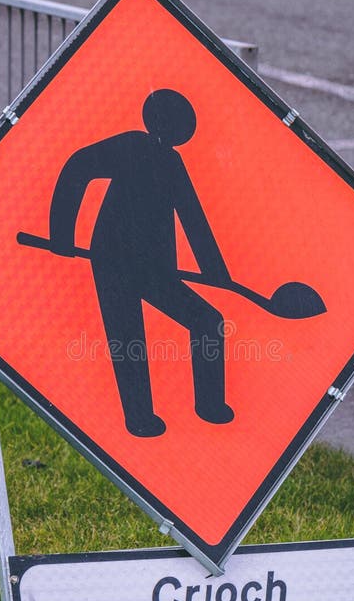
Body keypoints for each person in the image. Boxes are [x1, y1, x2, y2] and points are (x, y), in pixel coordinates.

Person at [49, 89, 234, 437]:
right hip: (113, 261)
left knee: (208, 320)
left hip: (157, 268)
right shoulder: (131, 145)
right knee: (127, 337)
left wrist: (216, 272)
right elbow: (78, 167)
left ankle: (210, 406)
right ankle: (139, 418)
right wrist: (61, 235)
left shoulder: (173, 163)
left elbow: (193, 218)